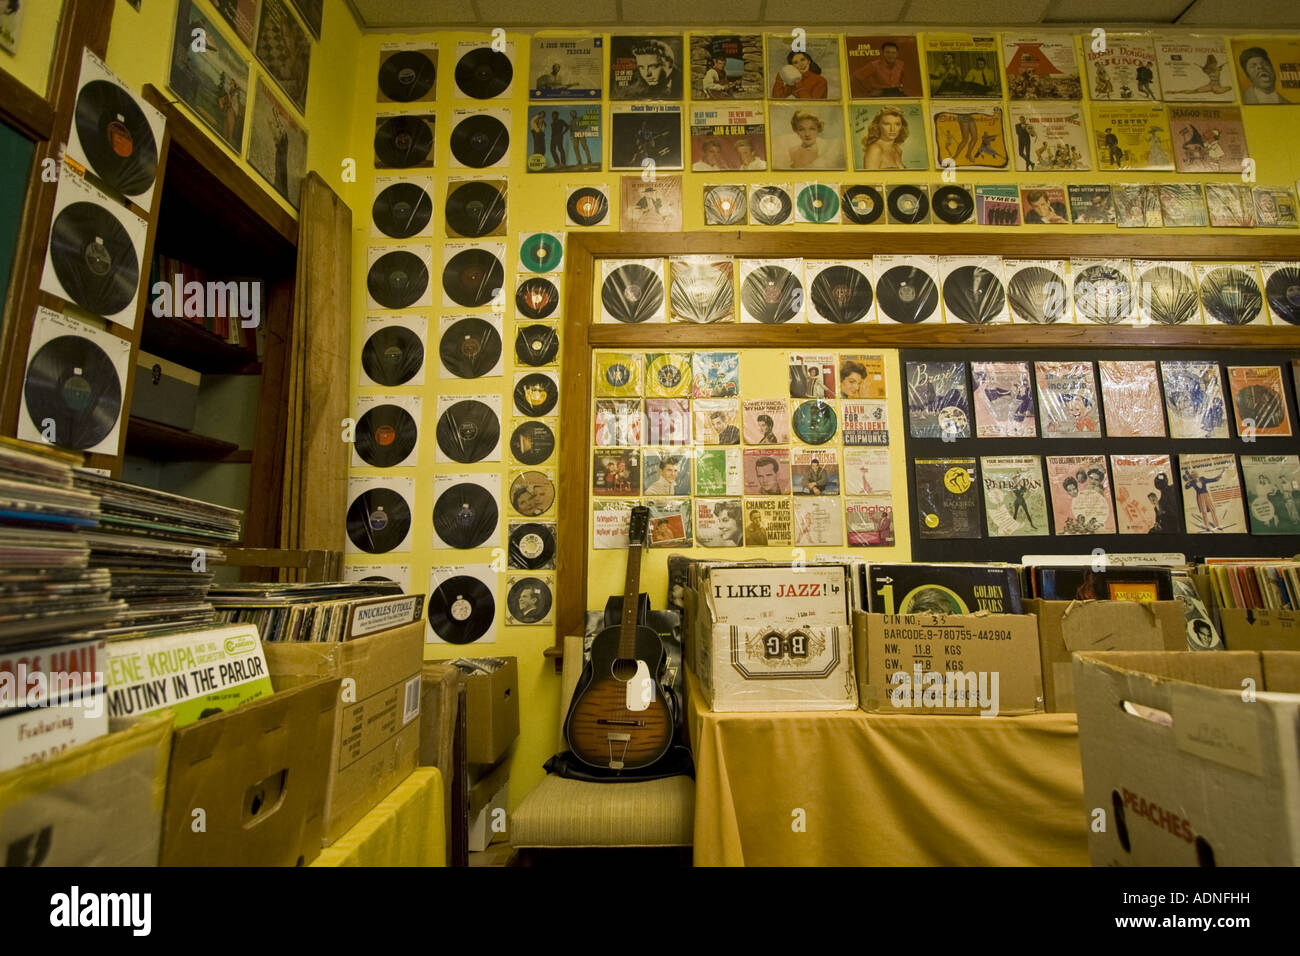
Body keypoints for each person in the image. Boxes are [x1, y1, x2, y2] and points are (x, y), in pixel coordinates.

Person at [1183, 466, 1222, 531]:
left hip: (1206, 495)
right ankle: (1207, 527)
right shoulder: (1192, 482)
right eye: (1193, 475)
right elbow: (1186, 487)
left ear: (1197, 474)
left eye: (1195, 474)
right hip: (1200, 497)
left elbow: (1211, 480)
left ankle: (1217, 525)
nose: (1195, 475)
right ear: (1192, 476)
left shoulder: (1203, 478)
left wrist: (1218, 477)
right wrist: (1188, 482)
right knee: (1204, 511)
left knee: (1212, 509)